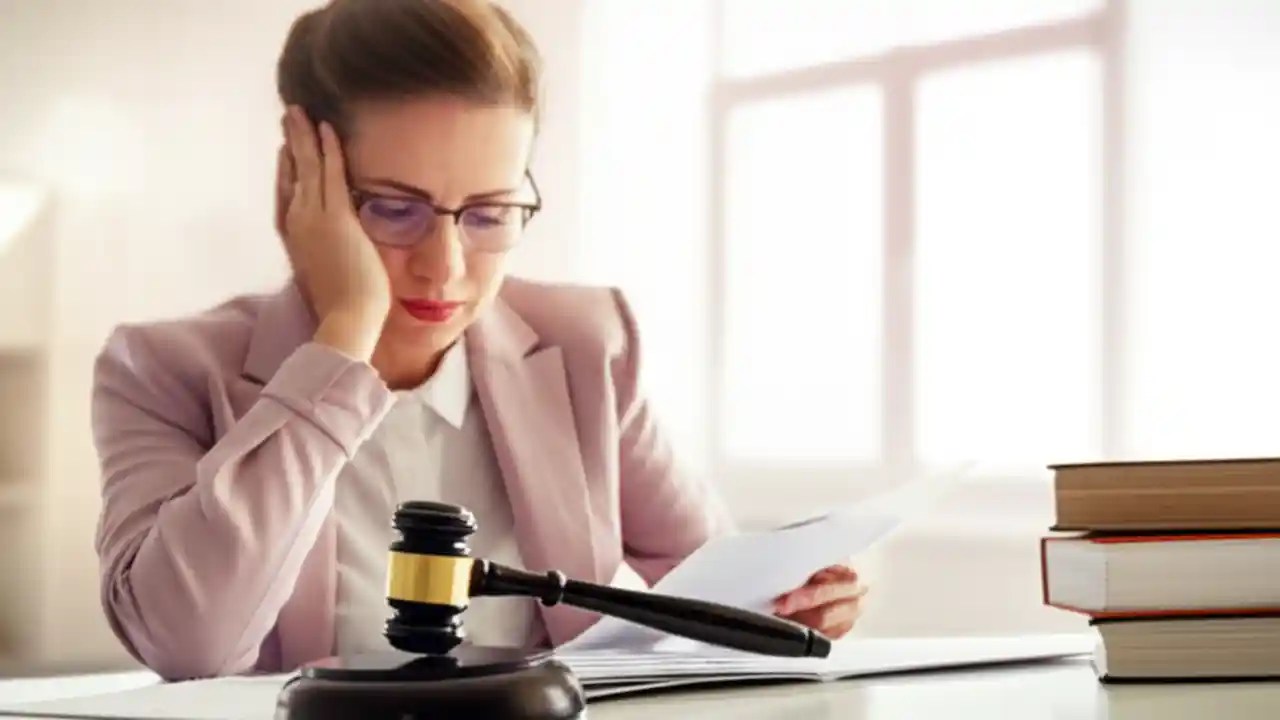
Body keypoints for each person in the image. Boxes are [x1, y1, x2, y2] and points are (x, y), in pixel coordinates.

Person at [89, 0, 866, 682]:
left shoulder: (587, 345)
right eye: (395, 209)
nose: (446, 268)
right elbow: (188, 644)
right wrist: (345, 335)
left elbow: (712, 588)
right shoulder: (162, 370)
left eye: (491, 212)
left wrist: (787, 602)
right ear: (303, 185)